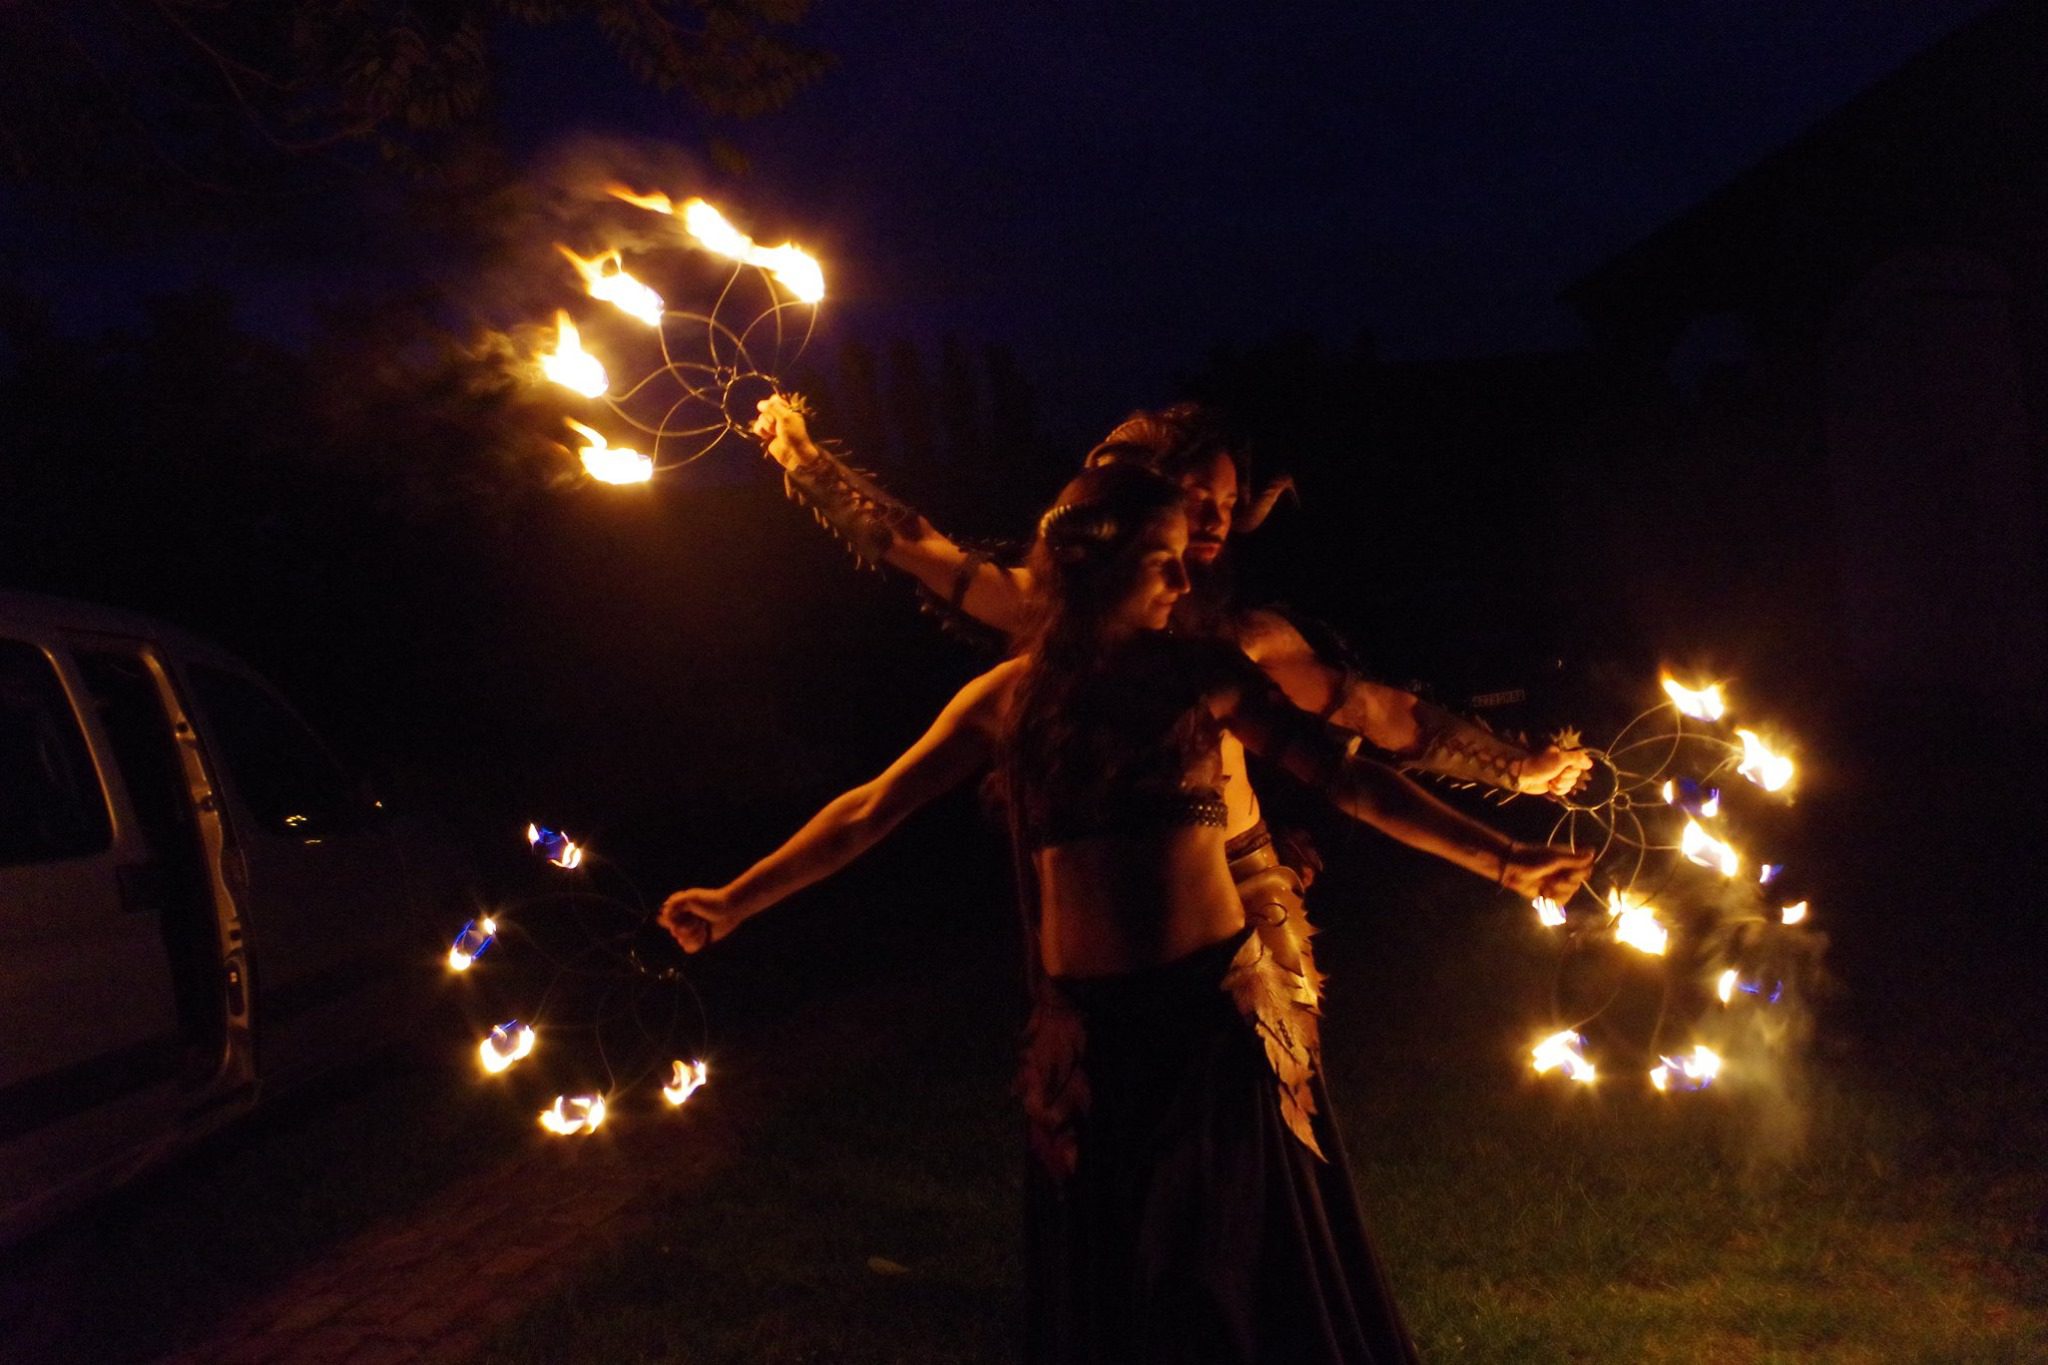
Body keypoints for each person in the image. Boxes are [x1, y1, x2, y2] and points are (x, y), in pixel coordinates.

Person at [662, 463, 1592, 1363]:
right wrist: (735, 900)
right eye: (1164, 558)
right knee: (1123, 1285)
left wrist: (1504, 858)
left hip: (1208, 1024)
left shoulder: (1200, 675)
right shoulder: (1011, 699)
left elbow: (1348, 779)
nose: (1188, 577)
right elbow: (869, 810)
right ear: (1088, 564)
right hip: (1090, 1044)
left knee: (1218, 1274)